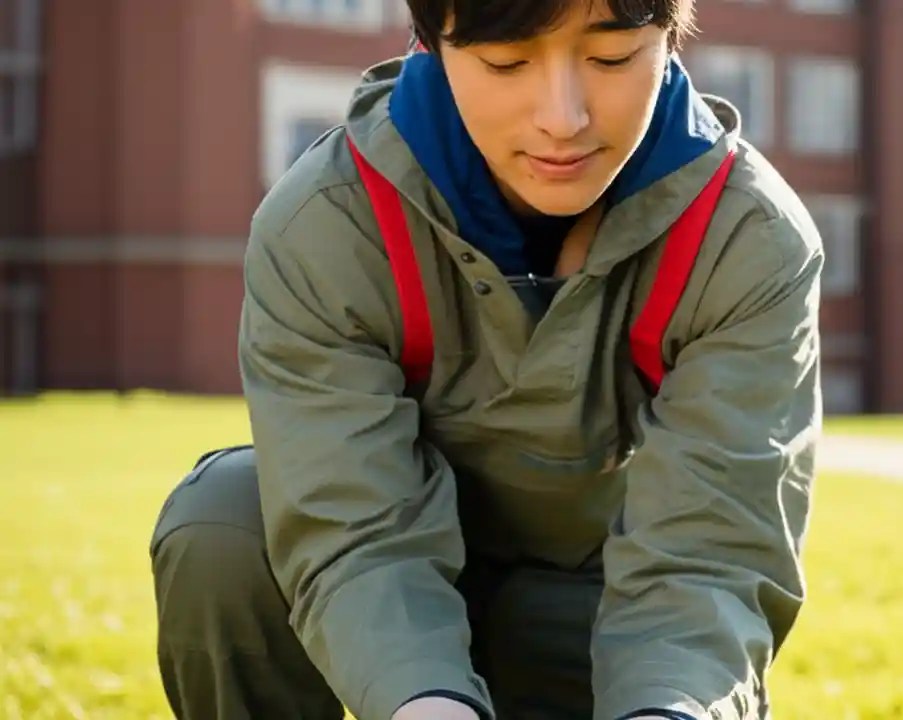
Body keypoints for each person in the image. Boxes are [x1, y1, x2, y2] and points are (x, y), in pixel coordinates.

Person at [148, 0, 823, 718]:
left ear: (667, 36)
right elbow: (350, 525)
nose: (563, 118)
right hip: (388, 620)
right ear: (431, 39)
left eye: (613, 57)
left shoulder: (749, 237)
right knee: (223, 522)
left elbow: (710, 554)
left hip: (605, 629)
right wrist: (426, 704)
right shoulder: (327, 221)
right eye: (508, 62)